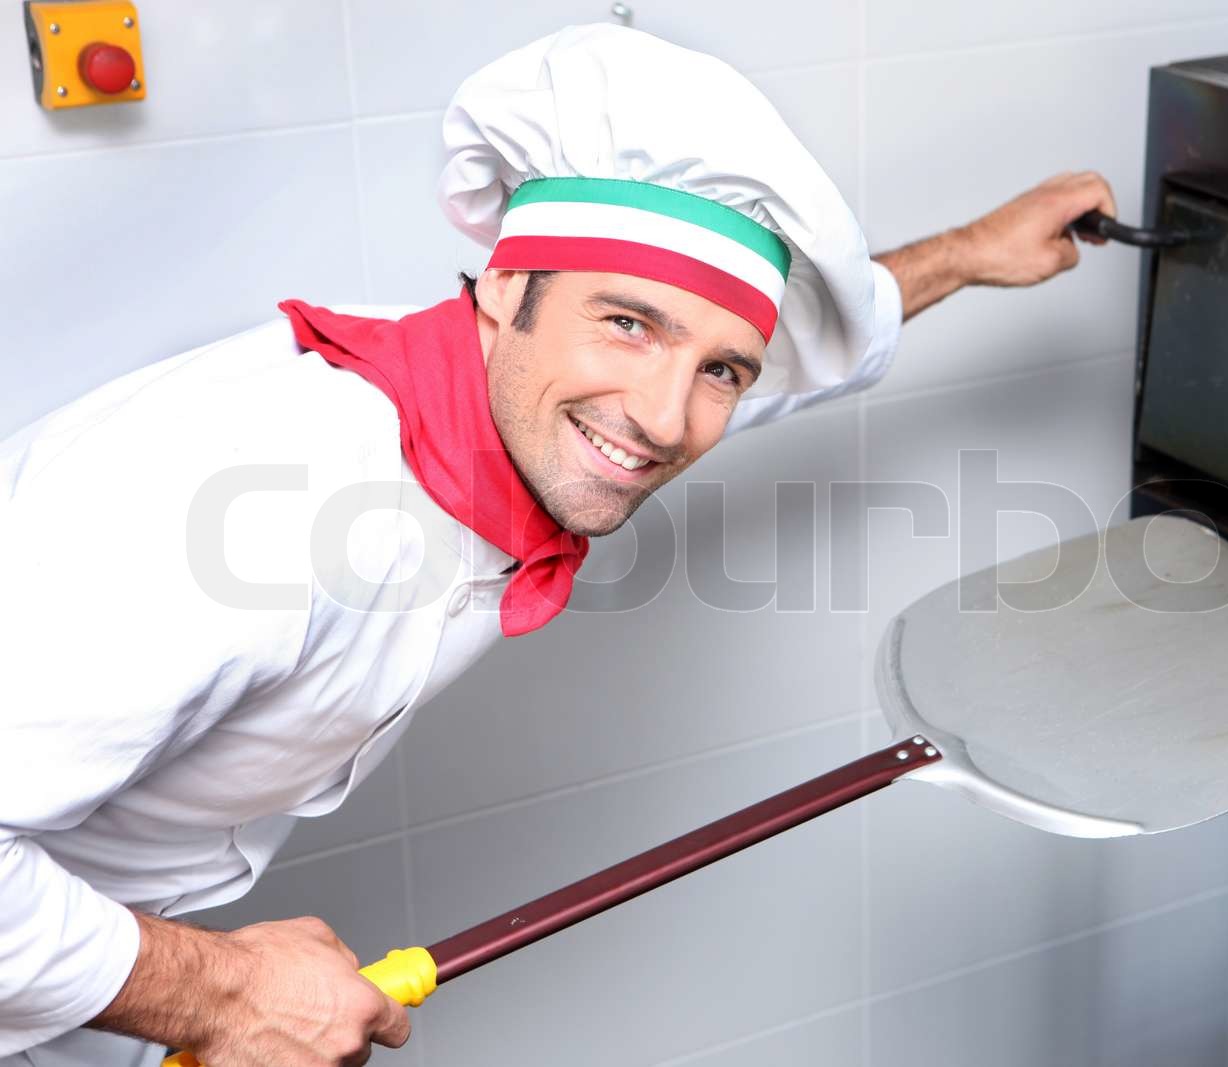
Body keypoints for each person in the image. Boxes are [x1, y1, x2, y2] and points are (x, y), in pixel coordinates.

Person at [0, 23, 1115, 1067]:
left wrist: (970, 253)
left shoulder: (521, 398)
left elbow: (743, 376)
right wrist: (225, 993)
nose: (665, 418)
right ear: (503, 288)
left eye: (719, 370)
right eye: (628, 323)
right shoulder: (251, 513)